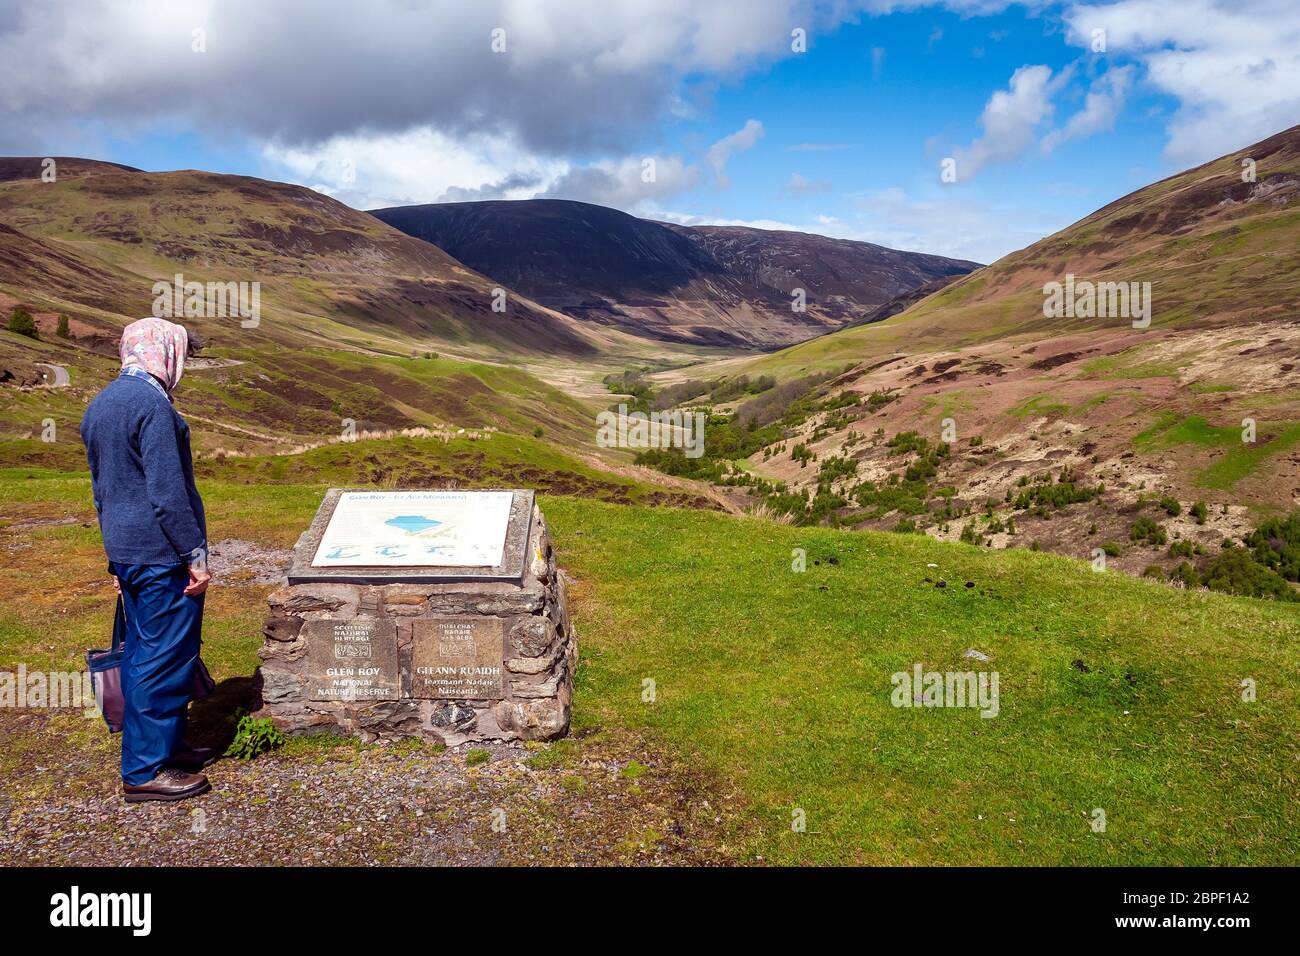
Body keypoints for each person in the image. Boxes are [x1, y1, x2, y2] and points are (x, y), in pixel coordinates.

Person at [81, 317, 216, 802]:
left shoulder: (100, 406)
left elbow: (104, 492)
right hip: (162, 555)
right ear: (167, 353)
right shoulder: (154, 408)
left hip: (129, 552)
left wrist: (115, 560)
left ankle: (168, 746)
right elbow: (167, 494)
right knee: (163, 657)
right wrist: (193, 557)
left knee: (143, 650)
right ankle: (144, 772)